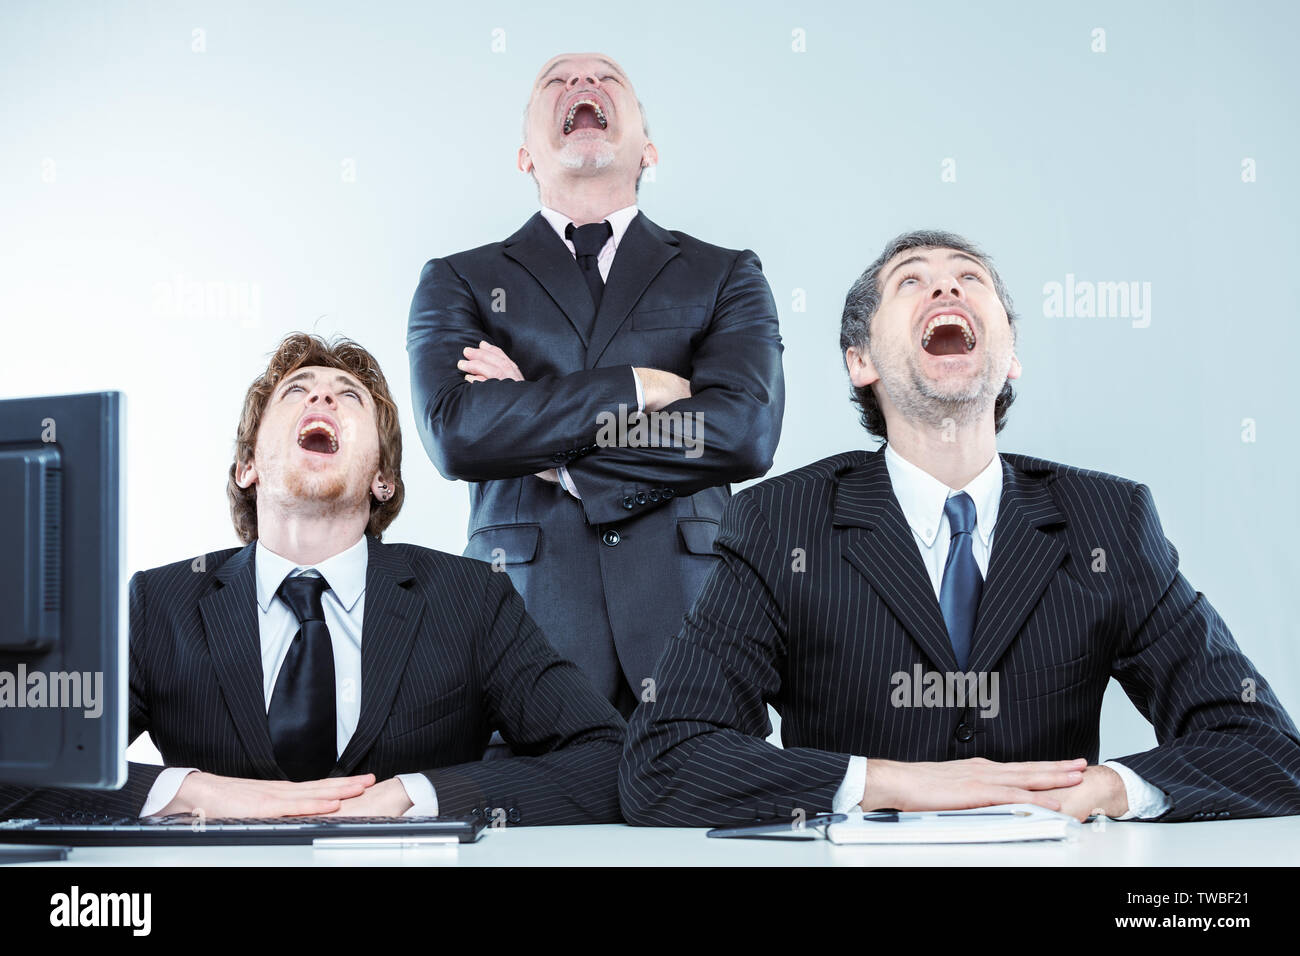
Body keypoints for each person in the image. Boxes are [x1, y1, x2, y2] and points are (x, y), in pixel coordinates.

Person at [619, 230, 1300, 825]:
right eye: (911, 279)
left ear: (1011, 357)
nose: (946, 283)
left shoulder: (1109, 522)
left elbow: (1267, 748)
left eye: (970, 277)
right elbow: (666, 759)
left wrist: (1103, 788)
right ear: (862, 363)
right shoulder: (780, 520)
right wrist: (892, 784)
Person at [0, 333, 624, 826]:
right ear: (247, 466)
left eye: (348, 396)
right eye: (296, 391)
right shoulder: (158, 604)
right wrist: (196, 793)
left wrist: (417, 795)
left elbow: (606, 759)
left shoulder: (471, 598)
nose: (321, 398)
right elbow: (17, 768)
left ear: (384, 479)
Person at [406, 52, 784, 717]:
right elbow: (459, 434)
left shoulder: (724, 273)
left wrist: (543, 431)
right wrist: (641, 385)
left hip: (691, 619)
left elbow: (743, 432)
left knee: (706, 811)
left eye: (608, 78)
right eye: (555, 80)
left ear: (649, 149)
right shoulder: (458, 280)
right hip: (526, 624)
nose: (582, 84)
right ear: (524, 154)